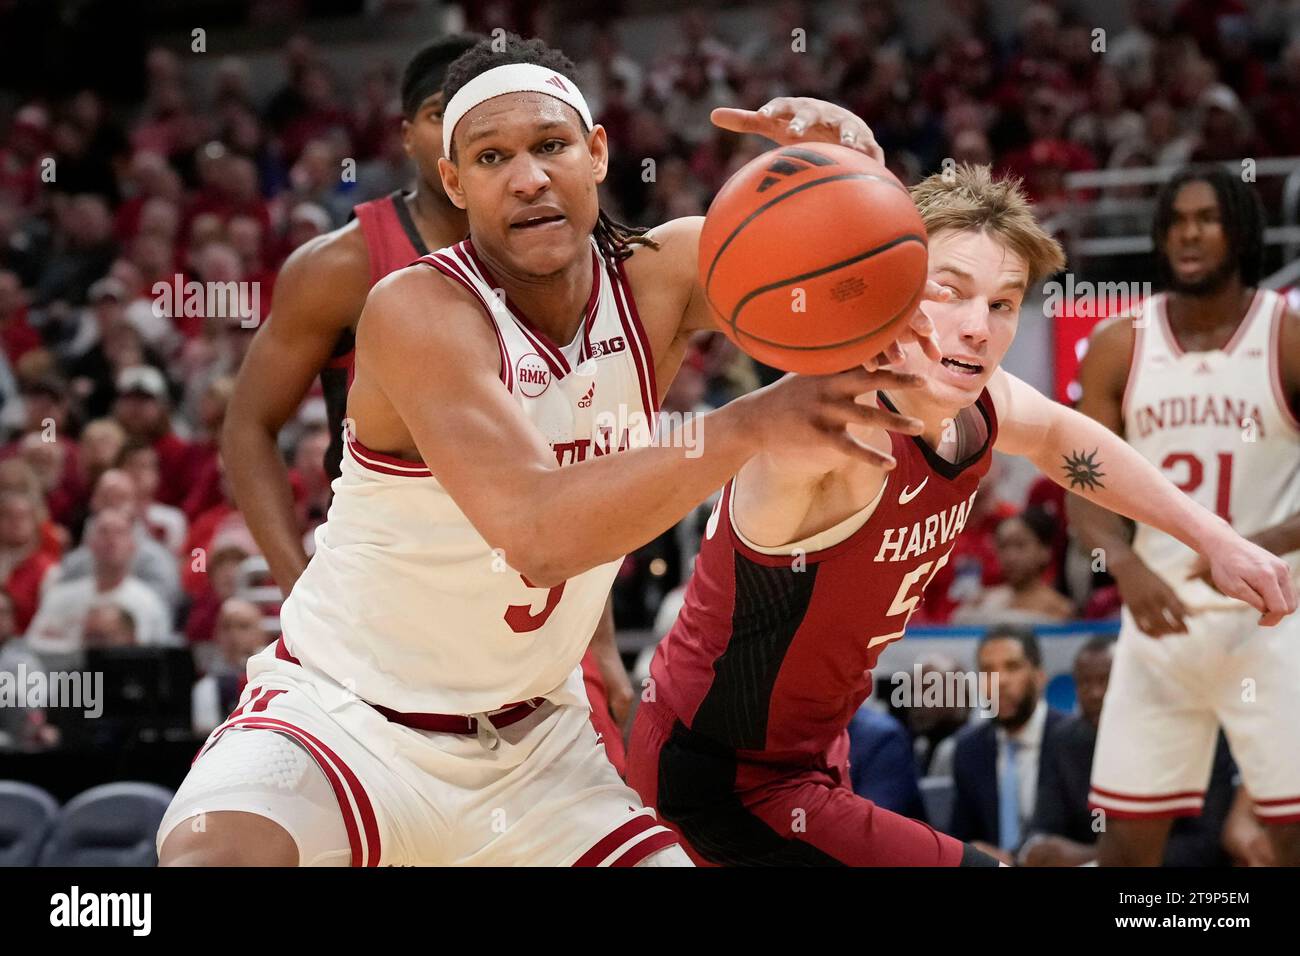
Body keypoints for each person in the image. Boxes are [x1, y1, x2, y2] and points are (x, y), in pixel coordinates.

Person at [157, 34, 917, 867]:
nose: (528, 177)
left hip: (536, 751)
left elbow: (863, 297)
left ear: (595, 153)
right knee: (213, 860)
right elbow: (538, 536)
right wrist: (742, 425)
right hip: (344, 720)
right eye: (491, 157)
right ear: (455, 181)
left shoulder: (666, 275)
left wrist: (854, 182)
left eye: (551, 146)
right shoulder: (417, 307)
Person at [624, 163, 1294, 867]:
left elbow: (1069, 438)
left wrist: (1215, 537)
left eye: (1004, 304)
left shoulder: (980, 404)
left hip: (811, 753)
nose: (977, 328)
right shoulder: (826, 424)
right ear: (889, 286)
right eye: (948, 292)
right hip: (719, 776)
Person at [220, 35, 632, 757]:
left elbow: (568, 472)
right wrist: (297, 581)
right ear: (417, 138)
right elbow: (247, 426)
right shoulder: (341, 265)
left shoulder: (564, 256)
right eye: (447, 115)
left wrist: (603, 645)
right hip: (396, 595)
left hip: (536, 594)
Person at [1069, 164, 1300, 866]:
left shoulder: (1286, 335)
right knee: (1124, 849)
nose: (1188, 233)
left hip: (1275, 624)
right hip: (1159, 621)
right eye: (1175, 221)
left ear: (1240, 230)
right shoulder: (1119, 343)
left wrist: (1261, 542)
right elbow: (1082, 479)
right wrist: (1127, 563)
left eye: (1206, 218)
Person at [1019, 635, 1236, 866]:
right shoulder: (1062, 740)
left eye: (1106, 681)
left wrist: (1101, 861)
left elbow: (1203, 844)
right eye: (1084, 683)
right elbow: (1043, 830)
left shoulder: (1196, 735)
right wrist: (1034, 850)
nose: (1095, 693)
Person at [949, 626, 1065, 864]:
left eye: (1012, 667)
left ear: (1040, 676)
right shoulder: (969, 748)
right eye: (988, 671)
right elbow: (960, 837)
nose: (999, 681)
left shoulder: (1072, 740)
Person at [26, 506, 173, 654]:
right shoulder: (60, 596)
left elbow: (157, 656)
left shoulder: (149, 603)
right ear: (89, 543)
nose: (111, 539)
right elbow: (32, 645)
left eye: (120, 532)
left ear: (133, 545)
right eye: (103, 531)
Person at [952, 507, 1074, 624]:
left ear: (1044, 550)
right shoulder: (983, 601)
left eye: (1020, 545)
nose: (1010, 557)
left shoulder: (1061, 610)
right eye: (1003, 546)